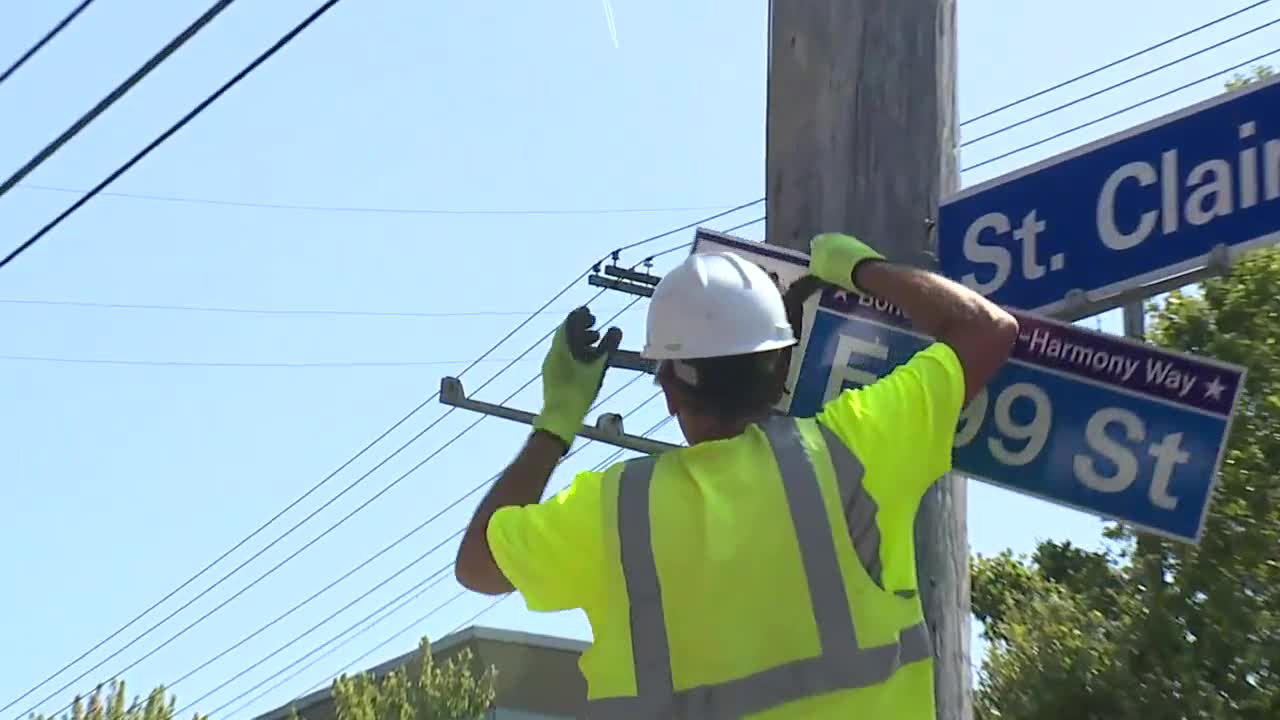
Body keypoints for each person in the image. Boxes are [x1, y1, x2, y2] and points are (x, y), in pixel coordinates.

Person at [454, 232, 1018, 719]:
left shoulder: (614, 511)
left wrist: (556, 421)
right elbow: (986, 329)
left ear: (669, 389)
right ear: (780, 369)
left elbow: (478, 564)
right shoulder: (856, 448)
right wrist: (855, 267)